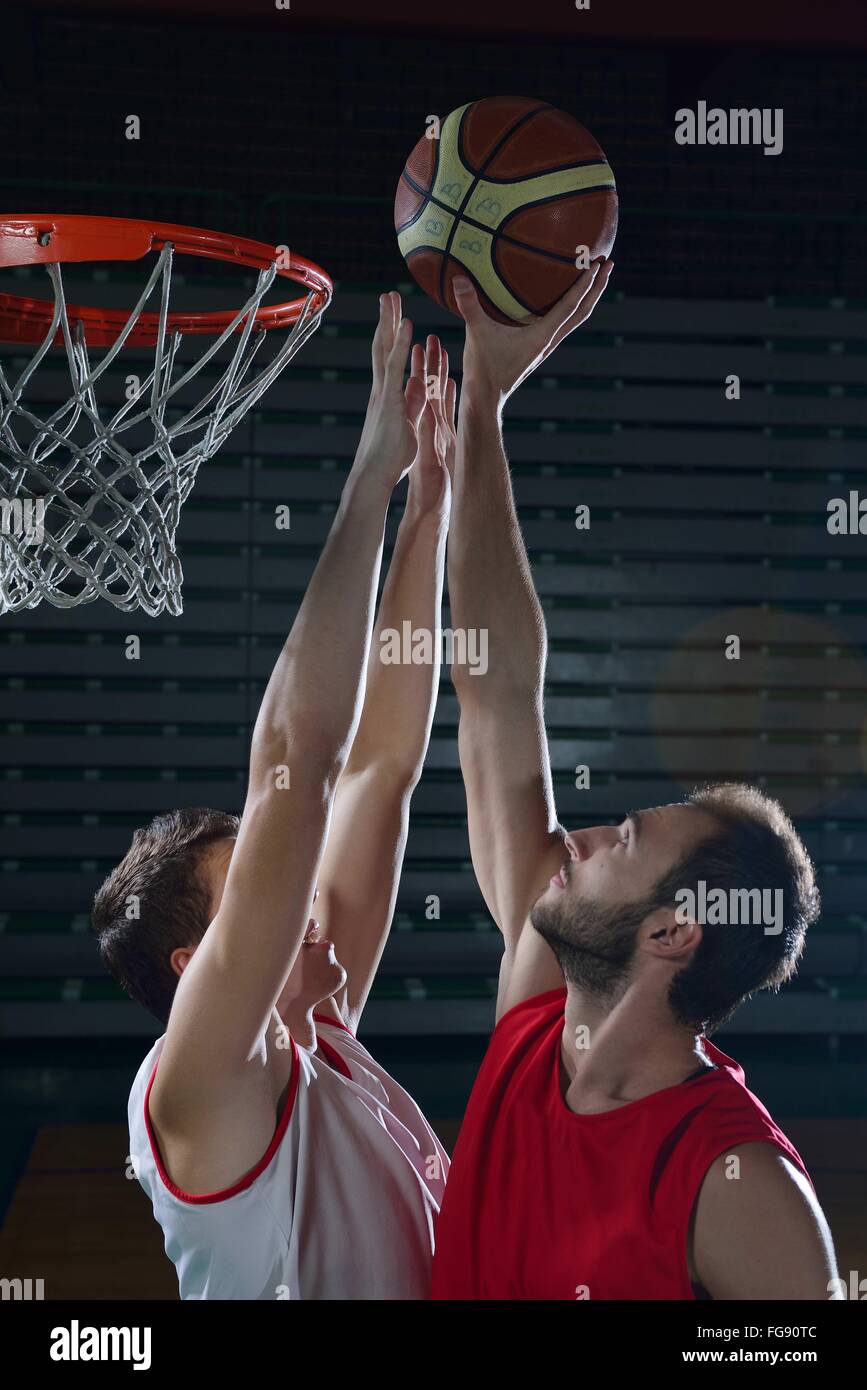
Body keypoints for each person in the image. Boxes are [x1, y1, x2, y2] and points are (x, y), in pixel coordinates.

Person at [430, 261, 839, 1301]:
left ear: (670, 932)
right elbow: (495, 691)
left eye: (622, 843)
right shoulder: (539, 1020)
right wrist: (484, 402)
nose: (575, 839)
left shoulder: (737, 1181)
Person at [92, 296, 456, 1300]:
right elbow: (300, 763)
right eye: (260, 891)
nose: (301, 894)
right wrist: (369, 479)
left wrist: (426, 515)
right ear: (194, 966)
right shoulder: (197, 1087)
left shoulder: (317, 1032)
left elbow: (379, 769)